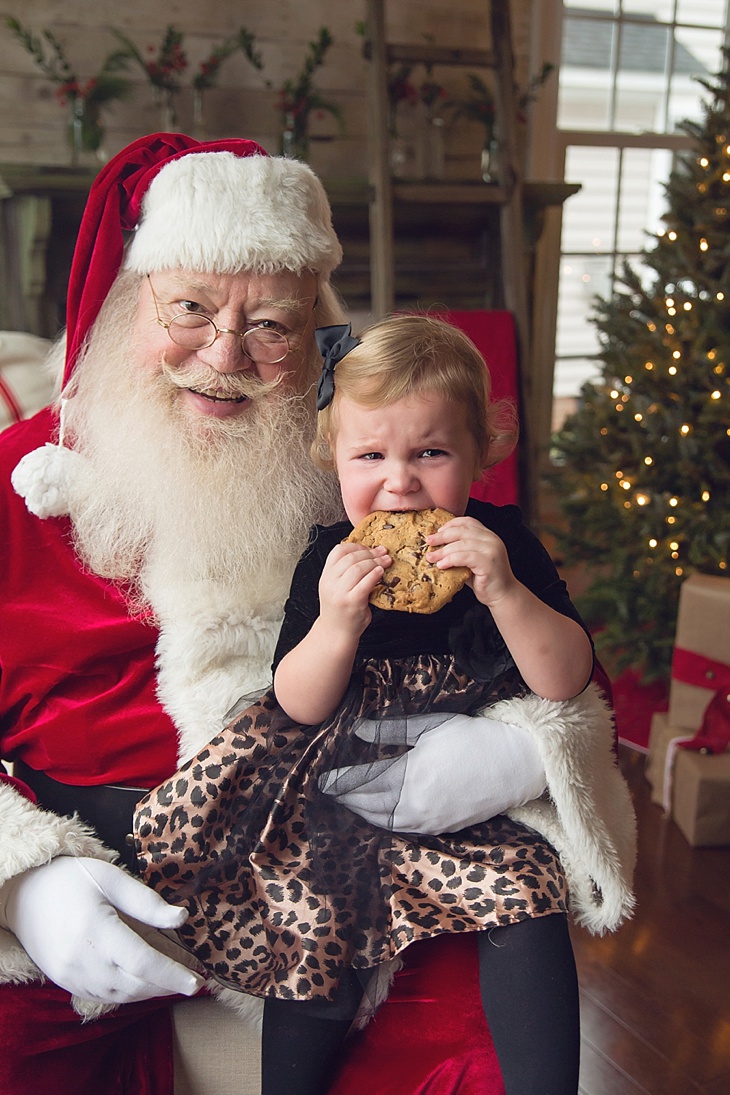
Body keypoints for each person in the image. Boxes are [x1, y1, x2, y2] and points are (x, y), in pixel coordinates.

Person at [0, 133, 569, 1095]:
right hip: (91, 877)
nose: (224, 355)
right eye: (188, 308)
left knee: (474, 1040)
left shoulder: (359, 477)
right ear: (119, 306)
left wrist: (521, 747)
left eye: (269, 322)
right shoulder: (13, 477)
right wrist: (23, 878)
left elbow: (531, 655)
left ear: (316, 334)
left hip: (344, 861)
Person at [135, 315, 637, 1095]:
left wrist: (504, 590)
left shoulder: (502, 544)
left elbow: (568, 677)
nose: (399, 481)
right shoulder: (330, 558)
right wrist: (336, 625)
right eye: (370, 455)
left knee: (532, 891)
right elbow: (295, 704)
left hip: (474, 795)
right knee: (318, 913)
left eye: (429, 453)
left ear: (478, 456)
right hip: (344, 786)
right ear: (333, 458)